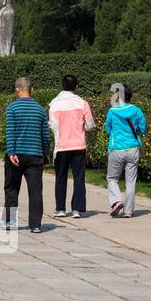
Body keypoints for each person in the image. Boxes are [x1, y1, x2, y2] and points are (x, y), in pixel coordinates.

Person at [3, 77, 51, 233]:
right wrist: (45, 153)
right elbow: (45, 135)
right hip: (35, 154)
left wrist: (11, 151)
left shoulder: (12, 108)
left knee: (11, 188)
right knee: (35, 190)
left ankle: (9, 222)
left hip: (16, 155)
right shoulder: (39, 109)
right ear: (32, 89)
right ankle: (35, 224)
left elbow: (10, 132)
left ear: (17, 89)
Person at [48, 74, 94, 218]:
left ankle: (60, 208)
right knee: (78, 177)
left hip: (61, 146)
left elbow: (52, 125)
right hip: (78, 145)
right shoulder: (82, 103)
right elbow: (90, 125)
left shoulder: (54, 103)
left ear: (62, 85)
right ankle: (77, 209)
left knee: (60, 177)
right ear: (76, 87)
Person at [104, 83, 146, 218]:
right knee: (130, 181)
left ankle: (116, 201)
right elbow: (142, 128)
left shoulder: (112, 111)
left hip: (116, 148)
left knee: (112, 178)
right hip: (133, 148)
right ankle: (128, 211)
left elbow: (108, 129)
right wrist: (135, 133)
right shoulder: (137, 110)